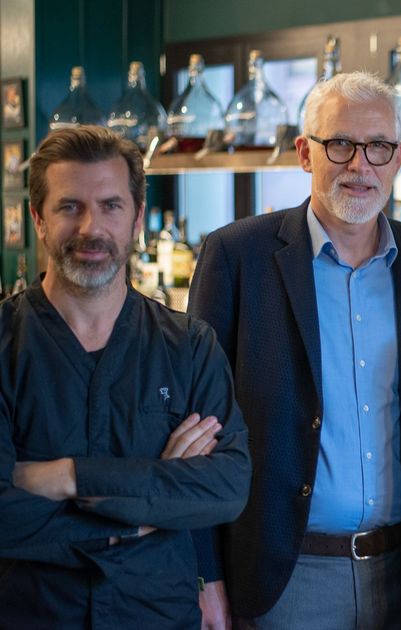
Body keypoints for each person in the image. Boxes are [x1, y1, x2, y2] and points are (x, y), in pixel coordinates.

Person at [189, 71, 401, 629]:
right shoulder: (236, 257)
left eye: (378, 147)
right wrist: (205, 576)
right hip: (283, 578)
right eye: (339, 144)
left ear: (399, 158)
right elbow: (200, 429)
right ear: (304, 153)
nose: (360, 165)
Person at [0, 126, 251, 627]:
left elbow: (226, 486)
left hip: (156, 615)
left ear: (137, 218)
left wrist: (67, 477)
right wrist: (142, 514)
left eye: (111, 206)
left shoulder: (189, 347)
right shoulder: (5, 347)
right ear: (38, 220)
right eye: (70, 206)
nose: (92, 227)